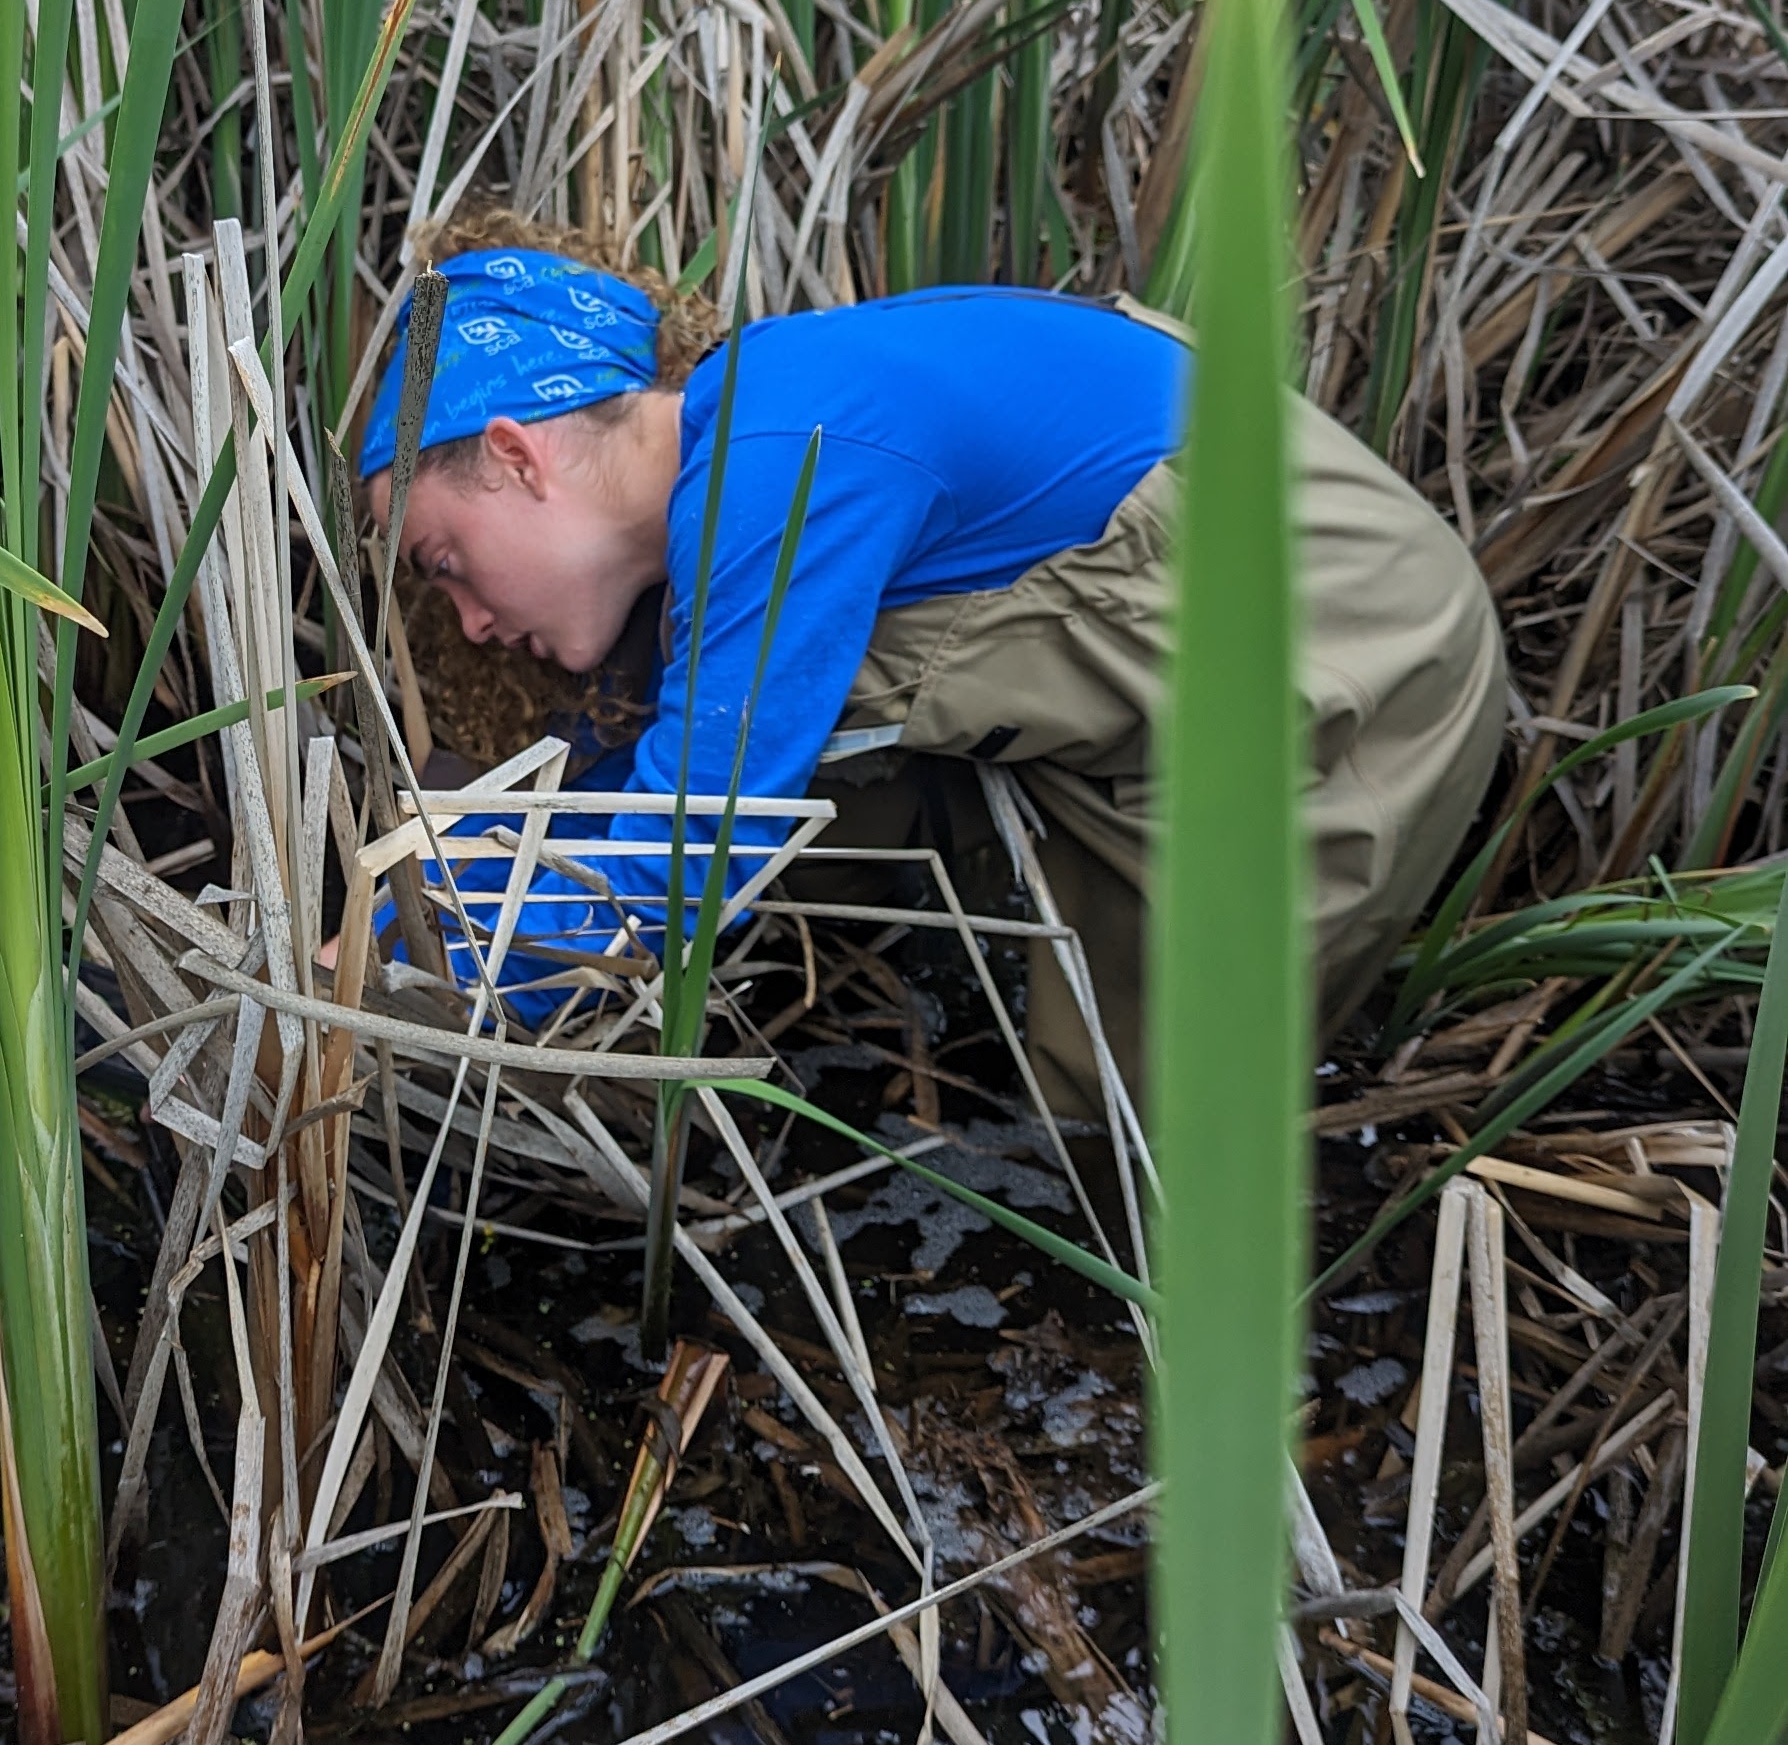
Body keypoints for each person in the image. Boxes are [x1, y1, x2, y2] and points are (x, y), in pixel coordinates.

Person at [360, 230, 1506, 1108]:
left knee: (1163, 1130)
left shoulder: (778, 459)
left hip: (1353, 646)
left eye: (446, 560)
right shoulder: (754, 440)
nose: (463, 623)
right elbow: (666, 775)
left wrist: (380, 995)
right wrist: (410, 908)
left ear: (516, 457)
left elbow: (689, 842)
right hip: (1176, 668)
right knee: (1071, 1082)